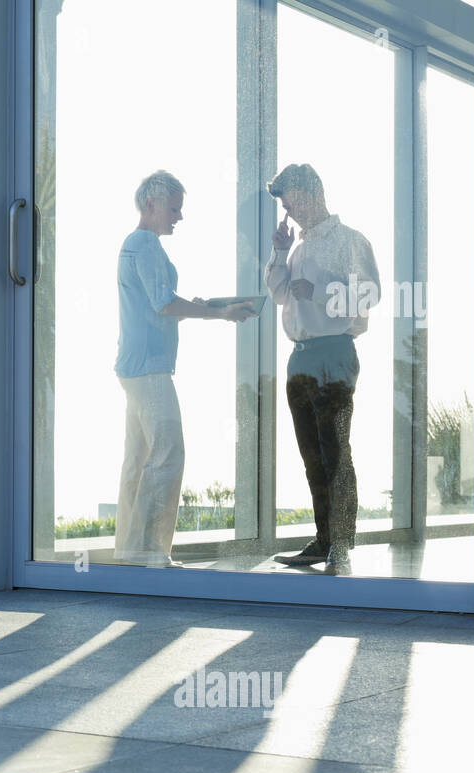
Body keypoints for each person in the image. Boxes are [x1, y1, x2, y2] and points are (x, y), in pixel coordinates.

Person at [114, 171, 254, 568]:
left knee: (138, 459)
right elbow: (163, 303)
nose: (179, 216)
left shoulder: (135, 244)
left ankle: (128, 551)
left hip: (134, 365)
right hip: (150, 369)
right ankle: (149, 551)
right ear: (150, 205)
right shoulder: (145, 245)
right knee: (168, 454)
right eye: (174, 209)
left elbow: (159, 304)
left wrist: (201, 307)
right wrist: (219, 312)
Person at [265, 163, 380, 576]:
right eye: (286, 206)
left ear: (312, 194)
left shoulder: (349, 241)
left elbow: (369, 296)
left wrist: (317, 292)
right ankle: (325, 539)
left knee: (335, 452)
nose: (290, 212)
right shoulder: (297, 247)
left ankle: (342, 544)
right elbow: (279, 295)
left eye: (293, 202)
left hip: (334, 353)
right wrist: (279, 251)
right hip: (301, 356)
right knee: (311, 455)